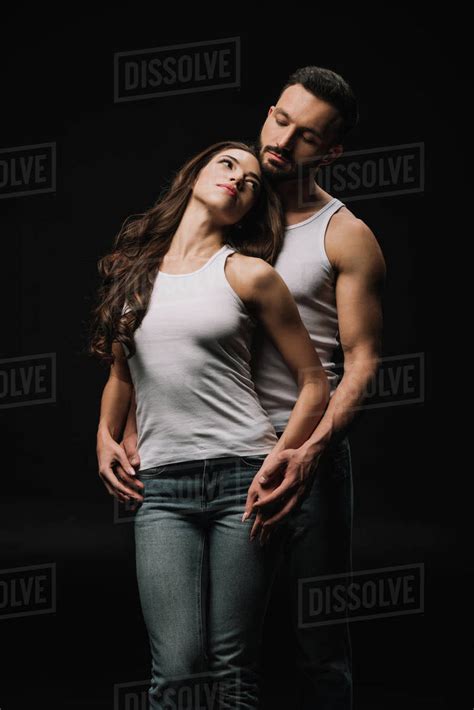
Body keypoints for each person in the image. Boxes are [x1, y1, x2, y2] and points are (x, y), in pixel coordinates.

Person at [120, 67, 387, 709]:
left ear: (330, 152)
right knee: (213, 656)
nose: (285, 140)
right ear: (269, 112)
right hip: (219, 454)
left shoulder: (343, 235)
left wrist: (308, 454)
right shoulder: (231, 210)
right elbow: (159, 329)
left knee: (316, 644)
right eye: (282, 120)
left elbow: (362, 364)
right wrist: (123, 429)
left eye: (308, 137)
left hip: (305, 454)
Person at [90, 140, 331, 709]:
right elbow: (122, 376)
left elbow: (315, 383)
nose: (239, 180)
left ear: (251, 207)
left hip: (244, 481)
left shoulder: (248, 274)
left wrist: (284, 457)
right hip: (164, 489)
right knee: (174, 669)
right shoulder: (133, 274)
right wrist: (104, 435)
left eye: (252, 181)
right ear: (194, 174)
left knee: (231, 671)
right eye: (227, 164)